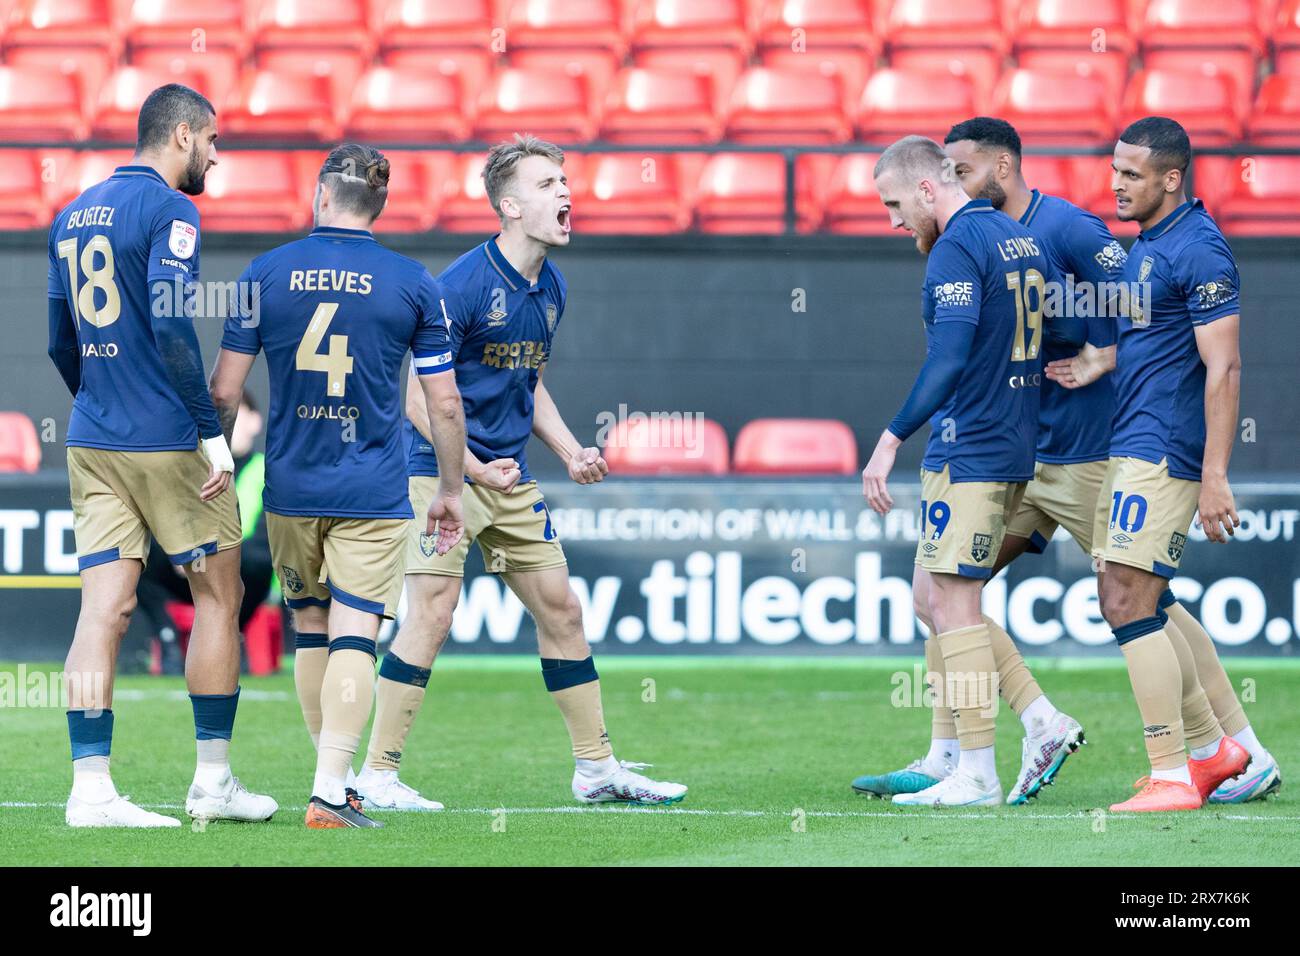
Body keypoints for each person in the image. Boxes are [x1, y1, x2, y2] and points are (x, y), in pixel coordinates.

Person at [352, 135, 688, 811]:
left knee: (562, 610)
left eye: (563, 180)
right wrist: (472, 469)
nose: (565, 192)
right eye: (546, 184)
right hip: (440, 477)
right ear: (508, 206)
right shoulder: (462, 286)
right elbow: (415, 397)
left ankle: (596, 768)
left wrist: (570, 451)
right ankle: (378, 775)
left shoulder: (552, 285)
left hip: (509, 479)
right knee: (434, 614)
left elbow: (526, 379)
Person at [210, 143, 467, 828]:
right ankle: (331, 788)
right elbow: (443, 405)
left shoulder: (265, 274)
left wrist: (211, 462)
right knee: (359, 634)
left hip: (290, 485)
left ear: (321, 194)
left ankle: (335, 779)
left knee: (311, 630)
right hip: (373, 487)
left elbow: (225, 393)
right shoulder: (415, 283)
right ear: (379, 205)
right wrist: (449, 488)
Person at [47, 83, 275, 827]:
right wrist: (212, 429)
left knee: (101, 610)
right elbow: (176, 328)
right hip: (168, 439)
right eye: (212, 139)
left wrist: (103, 398)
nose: (216, 153)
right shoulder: (173, 210)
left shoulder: (70, 214)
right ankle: (212, 781)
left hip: (93, 437)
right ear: (181, 135)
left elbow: (59, 341)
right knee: (219, 593)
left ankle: (90, 790)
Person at [860, 134, 1077, 807]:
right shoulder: (1017, 236)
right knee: (934, 596)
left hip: (972, 445)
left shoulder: (957, 245)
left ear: (929, 187)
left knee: (953, 603)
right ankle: (1036, 722)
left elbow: (949, 357)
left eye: (896, 204)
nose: (894, 220)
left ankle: (977, 771)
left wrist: (892, 437)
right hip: (1013, 439)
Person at [137, 389, 274, 676]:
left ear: (256, 422)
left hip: (241, 576)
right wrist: (183, 550)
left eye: (239, 415)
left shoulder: (267, 471)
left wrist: (210, 556)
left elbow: (265, 540)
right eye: (225, 417)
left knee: (258, 560)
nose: (231, 424)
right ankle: (169, 641)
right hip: (189, 572)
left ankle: (235, 636)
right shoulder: (194, 468)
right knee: (137, 558)